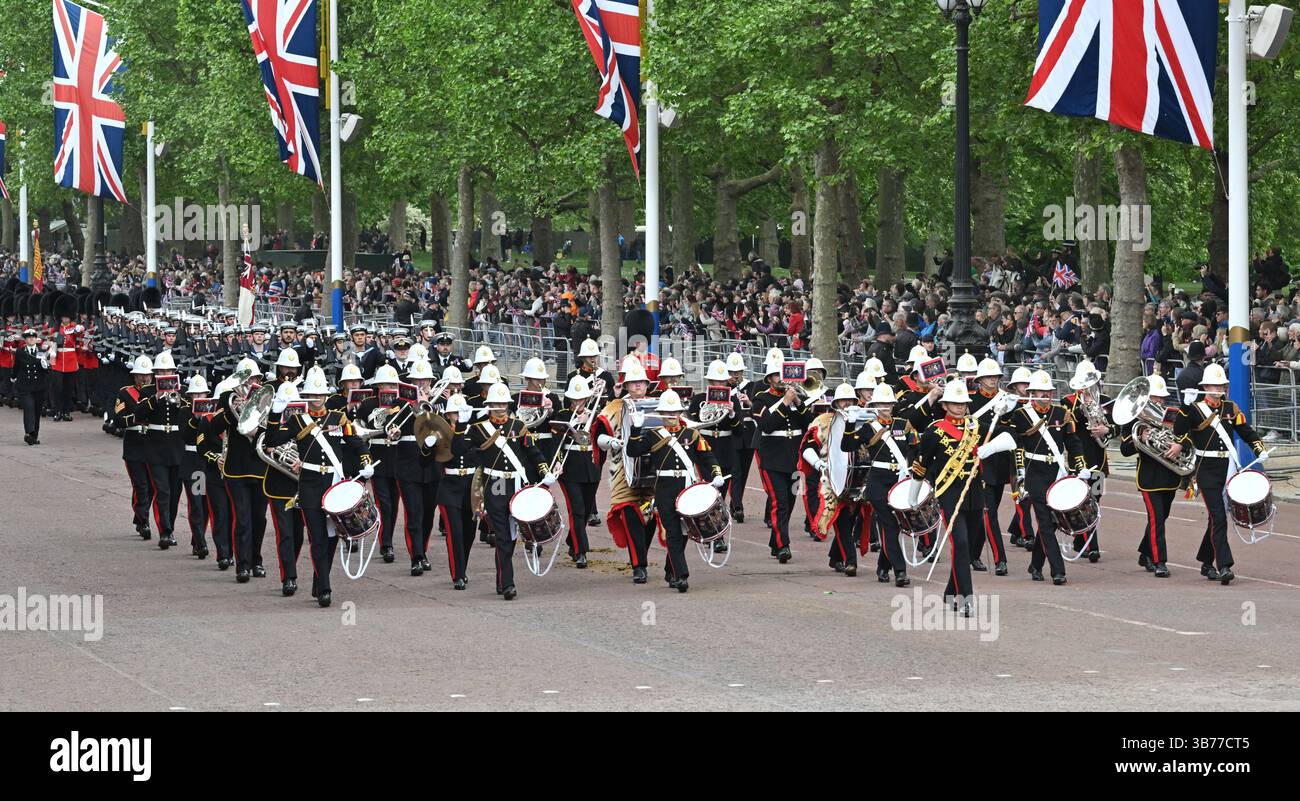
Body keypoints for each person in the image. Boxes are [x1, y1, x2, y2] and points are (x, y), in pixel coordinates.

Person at [263, 367, 374, 607]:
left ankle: (318, 578)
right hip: (310, 485)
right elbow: (272, 440)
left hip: (333, 484)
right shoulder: (297, 421)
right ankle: (325, 588)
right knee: (317, 537)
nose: (317, 399)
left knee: (334, 536)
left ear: (325, 395)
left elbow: (357, 443)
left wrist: (366, 463)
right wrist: (275, 412)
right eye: (312, 394)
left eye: (320, 394)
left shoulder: (338, 418)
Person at [911, 381, 1013, 616]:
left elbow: (1011, 437)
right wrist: (912, 499)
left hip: (975, 494)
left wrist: (991, 447)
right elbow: (921, 466)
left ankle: (949, 592)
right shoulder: (934, 431)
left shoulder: (976, 426)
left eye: (962, 403)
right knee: (961, 544)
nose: (959, 407)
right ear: (945, 404)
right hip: (948, 494)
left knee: (966, 547)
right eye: (954, 403)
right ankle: (965, 598)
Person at [1173, 364, 1267, 585]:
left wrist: (1259, 448)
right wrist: (1184, 408)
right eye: (1213, 385)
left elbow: (1246, 432)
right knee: (1218, 516)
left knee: (1217, 518)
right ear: (1204, 386)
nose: (1217, 389)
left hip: (1228, 466)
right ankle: (1224, 566)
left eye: (1221, 385)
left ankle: (1206, 561)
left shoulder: (1231, 408)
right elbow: (1179, 431)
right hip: (1206, 469)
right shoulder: (1194, 409)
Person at [626, 390, 723, 592]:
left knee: (685, 532)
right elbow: (632, 451)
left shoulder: (690, 434)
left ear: (680, 412)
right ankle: (681, 575)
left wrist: (716, 473)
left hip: (686, 488)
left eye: (675, 412)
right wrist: (635, 428)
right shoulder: (653, 435)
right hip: (665, 489)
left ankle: (671, 570)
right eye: (667, 412)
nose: (671, 416)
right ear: (661, 413)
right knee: (673, 532)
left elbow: (708, 456)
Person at [464, 382, 553, 600]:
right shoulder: (477, 429)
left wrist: (544, 471)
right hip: (495, 485)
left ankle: (501, 579)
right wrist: (460, 426)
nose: (500, 407)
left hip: (515, 485)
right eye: (495, 403)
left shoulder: (518, 426)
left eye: (503, 403)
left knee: (512, 536)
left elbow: (533, 452)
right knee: (503, 535)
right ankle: (508, 584)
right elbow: (464, 452)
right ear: (489, 404)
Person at [999, 370, 1088, 585]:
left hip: (1056, 472)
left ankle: (1036, 564)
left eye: (1048, 392)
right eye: (1040, 391)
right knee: (1045, 521)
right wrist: (1004, 410)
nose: (1045, 395)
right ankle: (1058, 570)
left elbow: (1073, 443)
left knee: (1053, 522)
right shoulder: (1021, 415)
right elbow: (1009, 437)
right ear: (1031, 392)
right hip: (1034, 472)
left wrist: (1080, 467)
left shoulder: (1061, 412)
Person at [593, 355, 658, 582]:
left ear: (647, 384)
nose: (638, 385)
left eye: (641, 382)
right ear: (627, 385)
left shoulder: (656, 405)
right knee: (630, 515)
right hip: (624, 469)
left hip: (654, 470)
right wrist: (610, 442)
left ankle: (641, 555)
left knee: (651, 517)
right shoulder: (615, 406)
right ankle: (638, 565)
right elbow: (598, 434)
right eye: (634, 382)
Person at [1118, 375, 1185, 578]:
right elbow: (1124, 450)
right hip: (1148, 477)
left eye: (1160, 398)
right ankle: (1159, 561)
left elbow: (1184, 438)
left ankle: (1145, 553)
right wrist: (1140, 439)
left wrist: (1178, 444)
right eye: (1154, 398)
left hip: (1170, 474)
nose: (1159, 402)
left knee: (1162, 517)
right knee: (1156, 519)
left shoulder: (1172, 416)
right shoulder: (1132, 419)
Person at [753, 348, 815, 563]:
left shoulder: (798, 397)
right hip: (772, 457)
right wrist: (785, 402)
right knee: (779, 502)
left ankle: (775, 541)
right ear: (770, 379)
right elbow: (767, 426)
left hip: (793, 458)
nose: (782, 379)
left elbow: (809, 424)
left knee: (789, 501)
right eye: (778, 375)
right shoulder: (761, 398)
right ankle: (783, 546)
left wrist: (798, 402)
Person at [1061, 359, 1114, 562]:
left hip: (1100, 460)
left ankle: (1082, 540)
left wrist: (1106, 429)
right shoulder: (1068, 402)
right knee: (1083, 502)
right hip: (1080, 460)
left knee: (1096, 501)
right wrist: (1081, 407)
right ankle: (1092, 546)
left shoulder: (1106, 400)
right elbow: (1068, 429)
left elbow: (1117, 426)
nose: (1088, 387)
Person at [546, 376, 601, 567]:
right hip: (570, 468)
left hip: (591, 467)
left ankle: (572, 541)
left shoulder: (596, 414)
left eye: (582, 399)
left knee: (585, 511)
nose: (578, 402)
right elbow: (556, 442)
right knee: (576, 509)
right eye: (575, 399)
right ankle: (581, 551)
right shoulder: (562, 415)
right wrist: (557, 463)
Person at [114, 355, 157, 538]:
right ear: (134, 376)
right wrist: (136, 418)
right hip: (134, 443)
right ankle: (144, 520)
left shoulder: (158, 393)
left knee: (152, 486)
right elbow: (118, 419)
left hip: (153, 444)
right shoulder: (125, 393)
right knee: (140, 485)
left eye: (147, 375)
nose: (145, 378)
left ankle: (140, 517)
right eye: (141, 375)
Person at [13, 327, 51, 445]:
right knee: (29, 407)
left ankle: (34, 435)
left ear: (36, 339)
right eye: (29, 338)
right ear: (25, 340)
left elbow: (47, 370)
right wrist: (13, 376)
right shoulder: (20, 351)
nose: (31, 340)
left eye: (33, 338)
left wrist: (46, 366)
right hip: (25, 386)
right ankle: (28, 433)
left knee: (37, 410)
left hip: (39, 386)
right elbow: (17, 365)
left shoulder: (42, 351)